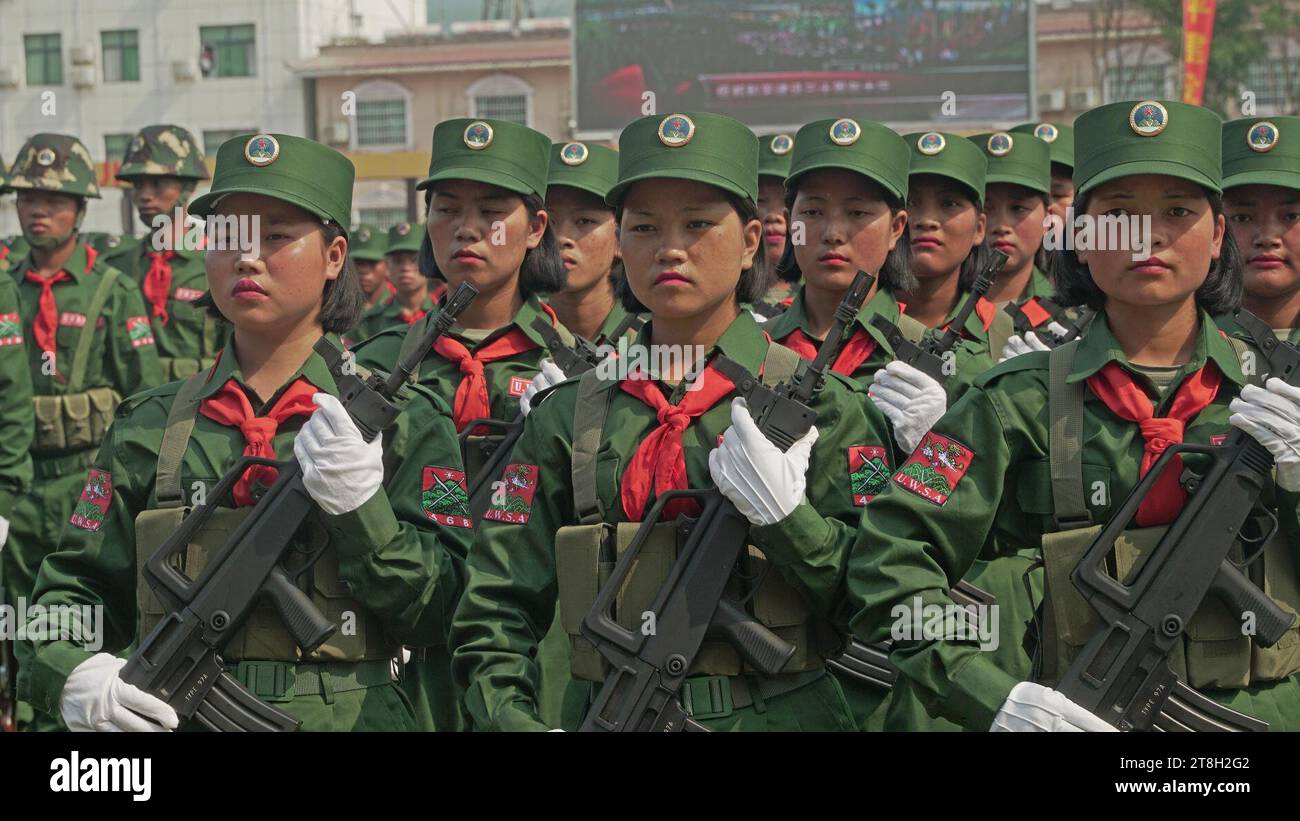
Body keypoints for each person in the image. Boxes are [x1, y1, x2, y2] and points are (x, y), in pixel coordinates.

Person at [847, 100, 1300, 731]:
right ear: (1082, 239)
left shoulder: (1281, 395)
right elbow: (887, 567)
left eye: (1177, 211)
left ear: (1219, 234)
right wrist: (988, 691)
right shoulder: (1013, 403)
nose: (1148, 236)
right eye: (1117, 216)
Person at [450, 111, 896, 731]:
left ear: (749, 243)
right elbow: (495, 604)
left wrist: (791, 526)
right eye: (644, 227)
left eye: (697, 224)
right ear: (620, 245)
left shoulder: (823, 407)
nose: (670, 249)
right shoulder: (570, 415)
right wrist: (516, 722)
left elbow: (882, 601)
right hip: (612, 712)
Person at [17, 133, 472, 732]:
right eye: (227, 237)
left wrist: (367, 513)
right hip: (176, 711)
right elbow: (73, 592)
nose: (247, 258)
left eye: (277, 237)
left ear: (336, 256)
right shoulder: (150, 426)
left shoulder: (407, 420)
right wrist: (71, 672)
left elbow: (448, 615)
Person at [352, 117, 568, 731]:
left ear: (536, 229)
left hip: (534, 648)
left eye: (493, 210)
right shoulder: (373, 368)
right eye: (446, 209)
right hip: (403, 650)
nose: (467, 228)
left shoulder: (581, 373)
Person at [3, 134, 162, 731]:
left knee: (85, 614)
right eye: (26, 198)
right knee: (17, 612)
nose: (37, 210)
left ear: (80, 208)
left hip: (85, 479)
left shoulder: (112, 290)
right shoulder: (5, 287)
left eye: (54, 198)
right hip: (19, 481)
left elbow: (142, 396)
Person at [103, 125, 227, 382]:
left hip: (202, 402)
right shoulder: (119, 266)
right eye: (138, 186)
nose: (145, 196)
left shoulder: (220, 260)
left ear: (187, 188)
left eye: (158, 184)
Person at [899, 131, 1014, 399]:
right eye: (911, 203)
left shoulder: (1002, 335)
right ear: (893, 223)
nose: (926, 220)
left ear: (980, 228)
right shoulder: (847, 327)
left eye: (948, 204)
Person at [1221, 116, 1300, 345]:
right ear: (1216, 230)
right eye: (1242, 217)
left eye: (1291, 216)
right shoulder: (1184, 341)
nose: (1266, 238)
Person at [348, 221, 430, 341]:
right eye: (397, 260)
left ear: (428, 261)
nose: (405, 268)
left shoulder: (443, 314)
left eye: (414, 259)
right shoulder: (369, 323)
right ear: (388, 266)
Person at [753, 133, 795, 315]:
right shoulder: (724, 295)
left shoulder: (824, 296)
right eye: (761, 200)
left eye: (787, 201)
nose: (774, 215)